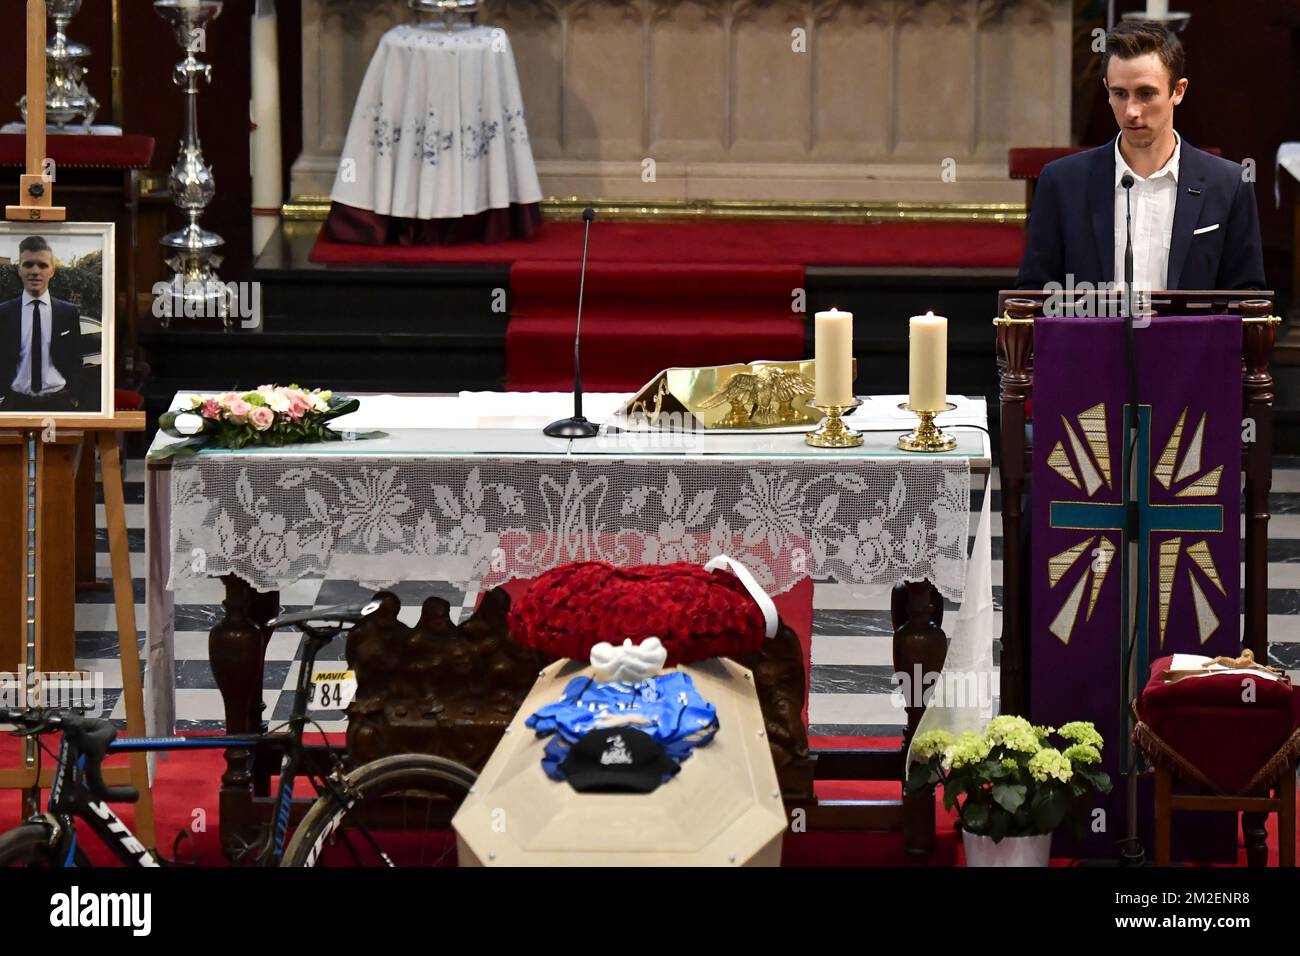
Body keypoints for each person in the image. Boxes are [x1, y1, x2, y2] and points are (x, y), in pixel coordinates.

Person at [1017, 21, 1265, 295]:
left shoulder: (1229, 185)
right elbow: (1035, 295)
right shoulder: (1061, 182)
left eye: (1146, 94)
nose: (1132, 111)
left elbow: (1247, 301)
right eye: (1119, 94)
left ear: (1178, 91)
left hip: (1189, 339)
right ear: (1107, 89)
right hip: (1091, 338)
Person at [0, 235, 94, 412]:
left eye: (42, 265)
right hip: (15, 404)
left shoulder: (68, 313)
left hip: (60, 403)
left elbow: (76, 359)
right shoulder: (4, 313)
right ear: (19, 269)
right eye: (28, 264)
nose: (35, 271)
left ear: (52, 271)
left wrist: (75, 397)